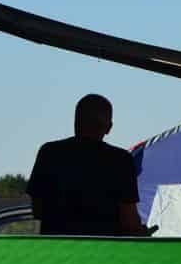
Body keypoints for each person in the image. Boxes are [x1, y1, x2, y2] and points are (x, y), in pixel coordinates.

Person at [27, 94, 149, 236]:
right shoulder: (120, 160)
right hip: (104, 252)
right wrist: (140, 232)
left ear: (76, 122)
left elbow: (38, 210)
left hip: (57, 251)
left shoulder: (49, 153)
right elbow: (129, 220)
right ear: (109, 127)